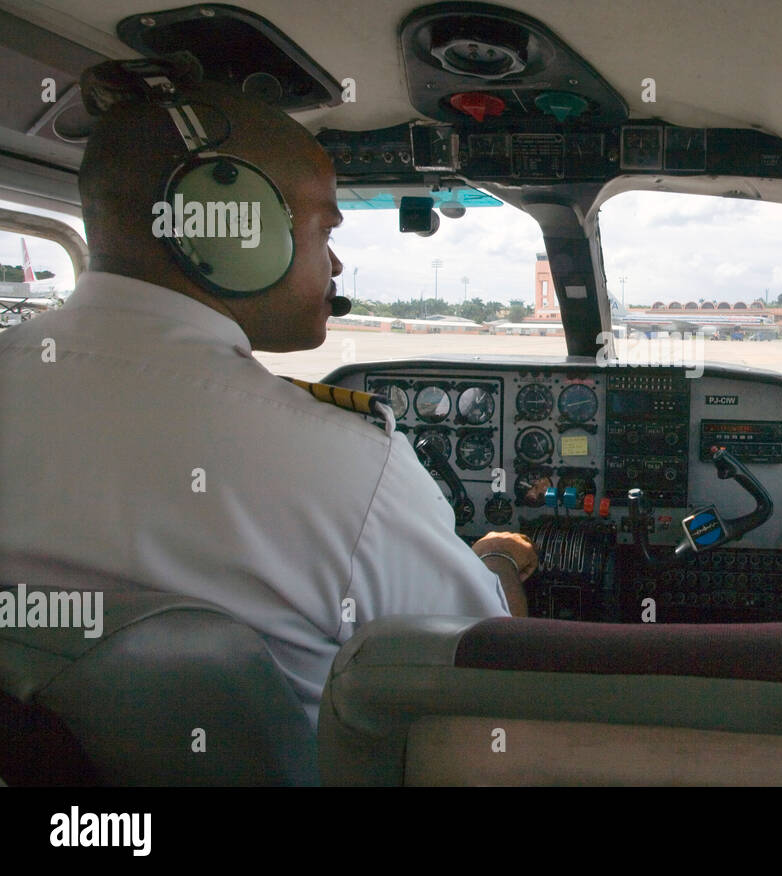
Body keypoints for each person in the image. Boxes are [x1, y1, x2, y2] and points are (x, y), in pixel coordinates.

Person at [0, 58, 537, 726]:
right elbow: (487, 664)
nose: (336, 264)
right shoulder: (345, 467)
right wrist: (499, 559)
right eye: (326, 229)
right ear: (231, 226)